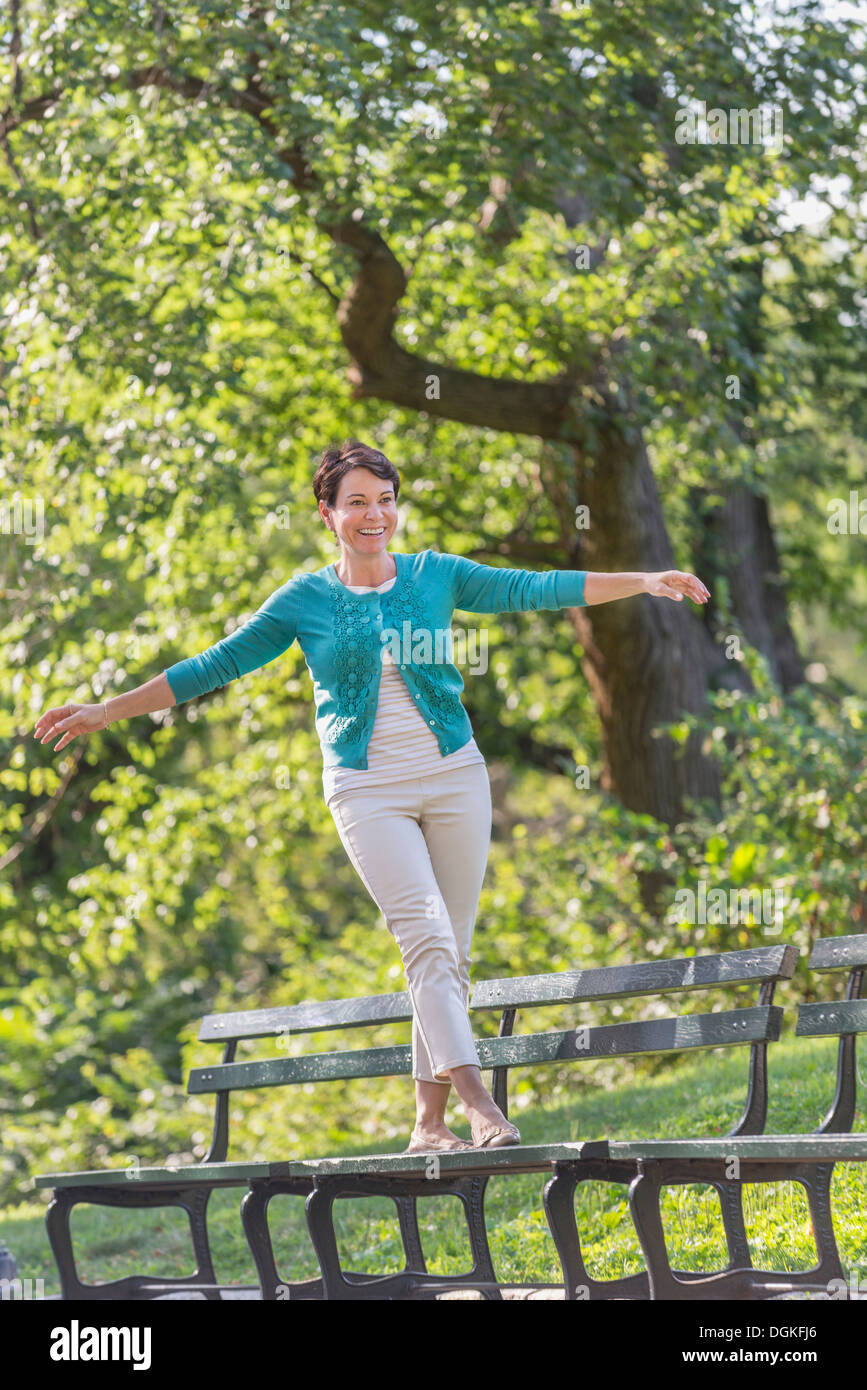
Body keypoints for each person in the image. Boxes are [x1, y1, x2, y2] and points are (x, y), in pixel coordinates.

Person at [33, 439, 710, 1154]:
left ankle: (427, 1124)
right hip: (366, 788)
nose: (374, 514)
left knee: (448, 952)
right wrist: (107, 709)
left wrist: (642, 579)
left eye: (384, 500)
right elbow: (216, 663)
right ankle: (482, 1108)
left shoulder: (434, 576)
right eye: (356, 502)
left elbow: (532, 588)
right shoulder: (305, 601)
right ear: (327, 513)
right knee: (423, 935)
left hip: (453, 775)